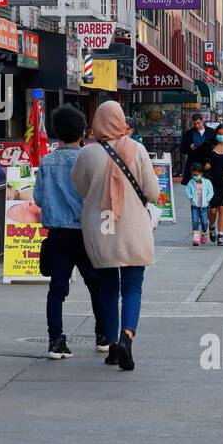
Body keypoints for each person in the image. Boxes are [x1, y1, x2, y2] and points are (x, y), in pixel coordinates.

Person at [72, 101, 159, 372]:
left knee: (107, 287)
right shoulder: (138, 150)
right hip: (133, 228)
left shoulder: (87, 154)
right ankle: (127, 337)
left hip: (101, 228)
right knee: (132, 287)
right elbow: (153, 193)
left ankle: (111, 346)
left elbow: (80, 188)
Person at [33, 105, 106, 359]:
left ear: (56, 132)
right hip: (85, 233)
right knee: (96, 285)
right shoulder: (88, 158)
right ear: (81, 132)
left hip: (57, 235)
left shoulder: (47, 161)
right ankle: (103, 334)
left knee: (57, 289)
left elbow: (39, 198)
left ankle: (55, 341)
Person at [193, 124, 223, 245]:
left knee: (222, 207)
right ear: (216, 133)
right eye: (220, 134)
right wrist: (205, 165)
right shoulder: (209, 145)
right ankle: (212, 227)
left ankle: (221, 236)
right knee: (213, 210)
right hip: (210, 181)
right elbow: (198, 157)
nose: (222, 136)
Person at [186, 162, 214, 247]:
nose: (194, 176)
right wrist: (191, 198)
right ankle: (195, 237)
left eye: (196, 174)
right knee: (195, 221)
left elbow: (210, 192)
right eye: (193, 174)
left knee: (204, 222)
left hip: (204, 206)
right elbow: (187, 191)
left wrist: (207, 200)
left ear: (201, 173)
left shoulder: (207, 182)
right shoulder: (191, 182)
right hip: (195, 206)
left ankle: (204, 234)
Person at [179, 112, 211, 184]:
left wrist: (210, 163)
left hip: (207, 165)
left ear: (202, 121)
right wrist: (189, 147)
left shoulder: (211, 132)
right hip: (193, 165)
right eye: (194, 124)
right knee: (194, 189)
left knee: (208, 187)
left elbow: (215, 149)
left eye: (198, 123)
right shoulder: (188, 134)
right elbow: (183, 150)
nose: (197, 125)